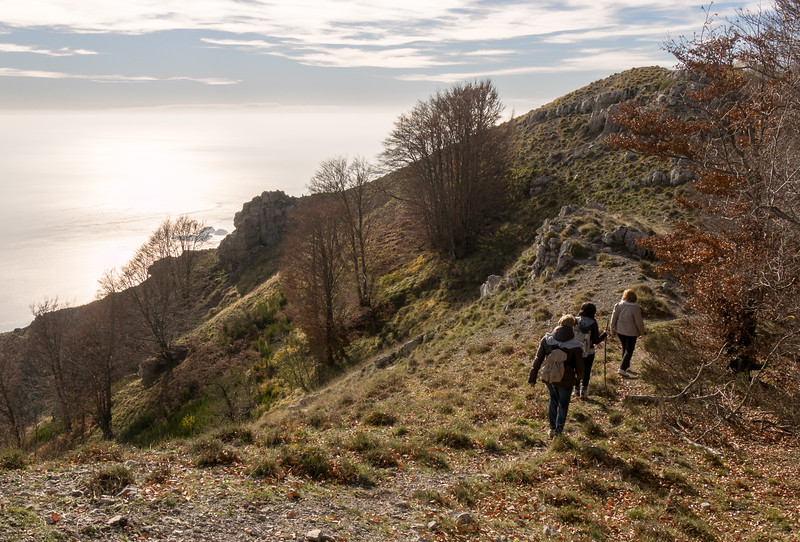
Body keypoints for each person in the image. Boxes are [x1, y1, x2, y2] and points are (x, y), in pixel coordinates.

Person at [528, 315, 585, 438]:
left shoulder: (547, 339)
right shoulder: (576, 345)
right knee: (563, 404)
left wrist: (532, 377)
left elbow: (537, 360)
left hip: (550, 377)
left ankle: (552, 428)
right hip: (567, 379)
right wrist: (579, 379)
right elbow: (580, 366)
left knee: (553, 400)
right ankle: (558, 433)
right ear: (572, 327)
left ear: (560, 323)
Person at [572, 302, 607, 399]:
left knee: (577, 370)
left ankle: (576, 390)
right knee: (587, 371)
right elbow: (596, 341)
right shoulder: (593, 322)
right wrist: (604, 334)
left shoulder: (575, 320)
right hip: (589, 351)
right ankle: (584, 392)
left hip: (576, 350)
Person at [609, 289, 645, 377]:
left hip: (620, 330)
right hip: (631, 332)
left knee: (624, 348)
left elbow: (613, 318)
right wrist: (641, 332)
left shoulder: (618, 305)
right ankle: (622, 368)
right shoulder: (635, 308)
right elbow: (639, 322)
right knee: (629, 350)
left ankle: (625, 365)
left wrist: (612, 330)